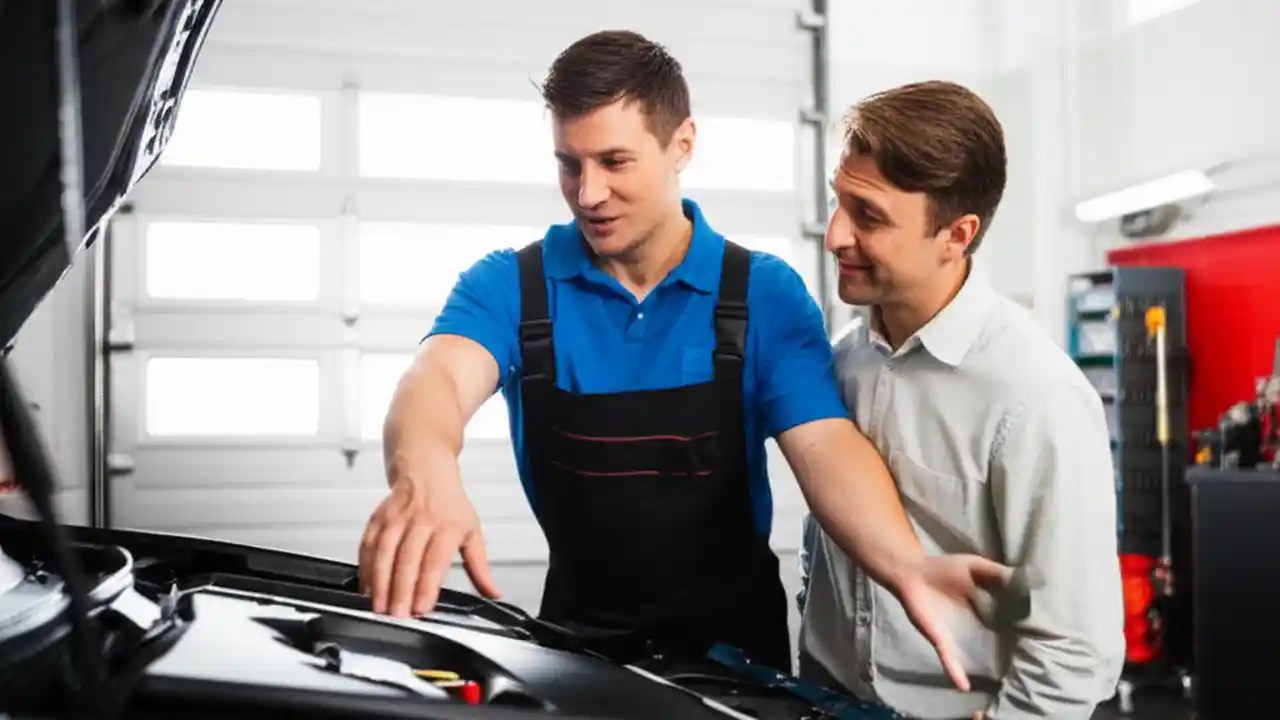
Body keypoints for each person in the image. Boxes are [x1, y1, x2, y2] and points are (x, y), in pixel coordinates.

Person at [357, 31, 1012, 679]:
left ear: (682, 146)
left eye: (615, 162)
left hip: (738, 667)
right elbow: (437, 378)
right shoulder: (510, 286)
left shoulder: (762, 292)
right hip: (578, 657)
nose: (587, 193)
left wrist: (907, 564)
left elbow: (824, 445)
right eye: (568, 163)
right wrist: (425, 470)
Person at [797, 80, 1126, 719]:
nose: (835, 235)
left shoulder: (1037, 398)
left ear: (957, 233)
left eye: (869, 216)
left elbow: (1074, 643)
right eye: (839, 203)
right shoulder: (844, 358)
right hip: (826, 700)